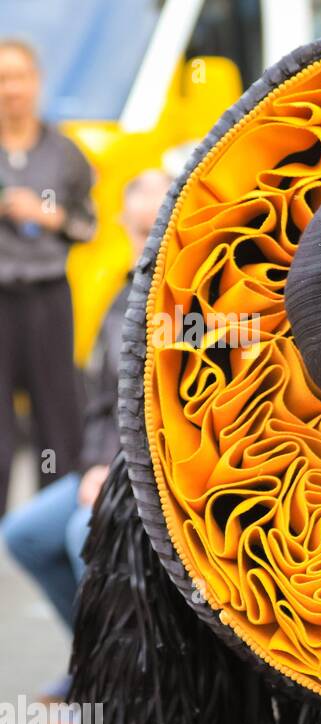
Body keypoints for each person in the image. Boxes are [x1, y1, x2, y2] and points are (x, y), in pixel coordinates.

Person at [2, 169, 170, 705]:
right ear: (122, 223)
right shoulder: (122, 290)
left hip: (148, 474)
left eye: (156, 226)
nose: (146, 239)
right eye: (138, 227)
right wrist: (94, 464)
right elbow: (102, 403)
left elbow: (161, 412)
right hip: (102, 463)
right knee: (23, 533)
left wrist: (109, 471)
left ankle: (118, 686)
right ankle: (90, 657)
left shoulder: (180, 300)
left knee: (83, 535)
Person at [0, 37, 96, 510]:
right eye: (2, 79)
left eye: (18, 77)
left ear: (35, 83)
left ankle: (54, 531)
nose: (10, 89)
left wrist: (49, 215)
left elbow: (90, 225)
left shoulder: (64, 153)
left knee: (56, 424)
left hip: (47, 300)